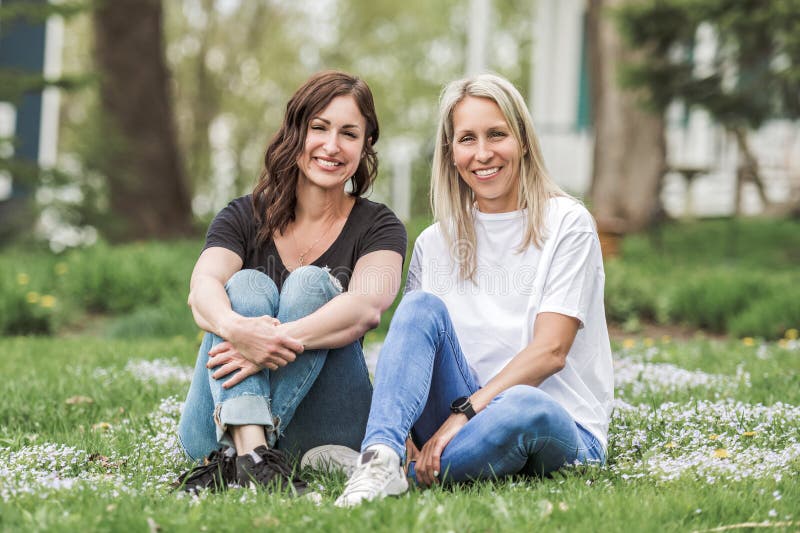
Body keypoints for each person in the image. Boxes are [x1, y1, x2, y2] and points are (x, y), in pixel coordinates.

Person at [335, 73, 614, 506]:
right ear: (451, 152)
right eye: (467, 139)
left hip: (552, 422)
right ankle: (380, 457)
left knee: (524, 406)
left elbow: (551, 351)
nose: (483, 154)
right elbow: (416, 347)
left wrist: (465, 415)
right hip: (456, 413)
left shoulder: (568, 223)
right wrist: (408, 429)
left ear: (522, 140)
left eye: (496, 135)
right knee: (420, 307)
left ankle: (409, 475)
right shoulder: (434, 241)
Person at [174, 70, 407, 493]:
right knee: (243, 286)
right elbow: (203, 286)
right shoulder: (243, 215)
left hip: (326, 428)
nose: (332, 146)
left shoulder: (379, 226)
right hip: (209, 429)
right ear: (295, 133)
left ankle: (239, 458)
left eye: (349, 133)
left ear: (365, 145)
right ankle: (252, 451)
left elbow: (365, 308)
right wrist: (236, 329)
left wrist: (265, 346)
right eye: (319, 127)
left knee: (310, 287)